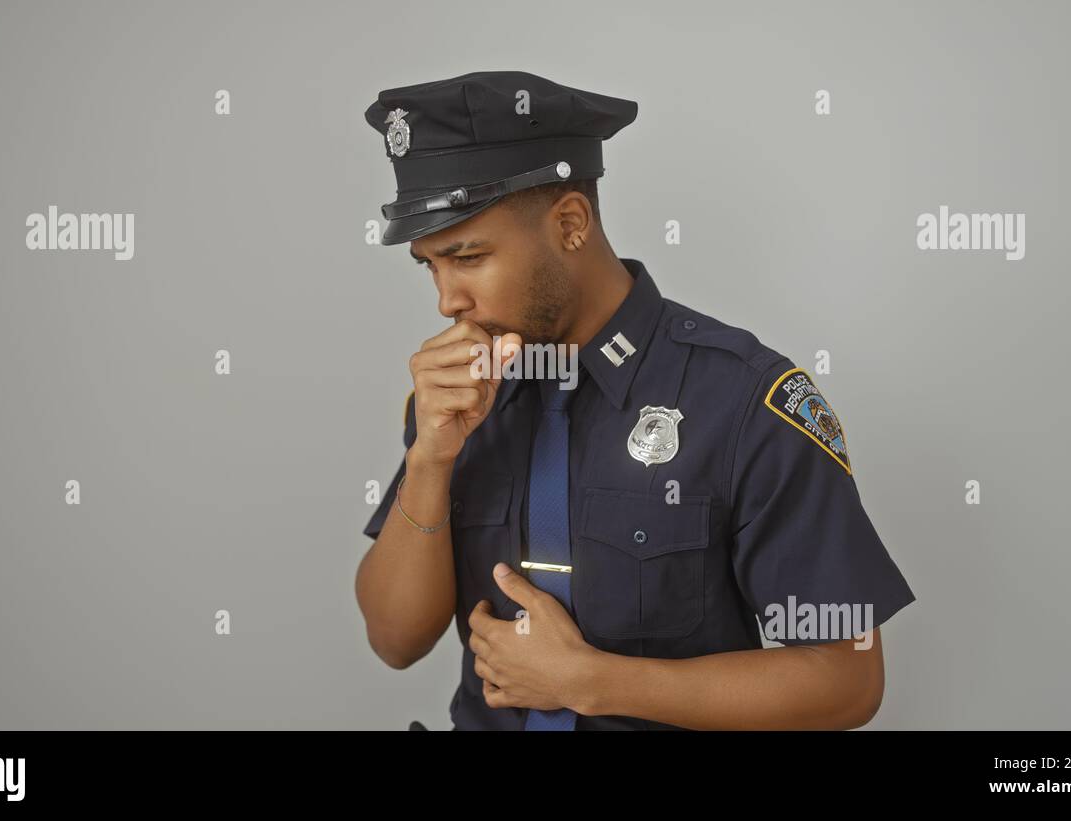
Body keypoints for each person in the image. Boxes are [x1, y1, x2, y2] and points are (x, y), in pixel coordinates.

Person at [356, 70, 916, 730]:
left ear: (570, 224)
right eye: (431, 264)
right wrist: (430, 460)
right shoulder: (458, 396)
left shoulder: (744, 400)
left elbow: (848, 680)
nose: (447, 299)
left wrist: (596, 681)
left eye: (469, 256)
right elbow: (395, 640)